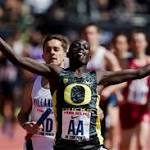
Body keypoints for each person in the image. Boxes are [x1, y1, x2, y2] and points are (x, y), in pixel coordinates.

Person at [1, 38, 150, 150]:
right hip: (64, 147)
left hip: (93, 146)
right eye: (76, 46)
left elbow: (139, 72)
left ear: (89, 57)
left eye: (85, 48)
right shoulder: (56, 74)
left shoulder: (99, 77)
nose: (81, 48)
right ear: (68, 55)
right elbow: (17, 59)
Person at [17, 34, 69, 150]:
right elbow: (22, 114)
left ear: (65, 54)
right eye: (48, 50)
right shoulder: (32, 84)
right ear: (43, 56)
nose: (52, 52)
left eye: (56, 49)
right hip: (36, 146)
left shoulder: (74, 85)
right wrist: (26, 125)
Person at [119, 31, 150, 150]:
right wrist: (118, 95)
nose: (138, 44)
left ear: (145, 43)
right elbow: (116, 80)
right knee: (126, 147)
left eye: (140, 41)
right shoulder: (125, 62)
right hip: (127, 108)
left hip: (143, 108)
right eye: (135, 41)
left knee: (142, 144)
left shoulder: (149, 61)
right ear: (131, 44)